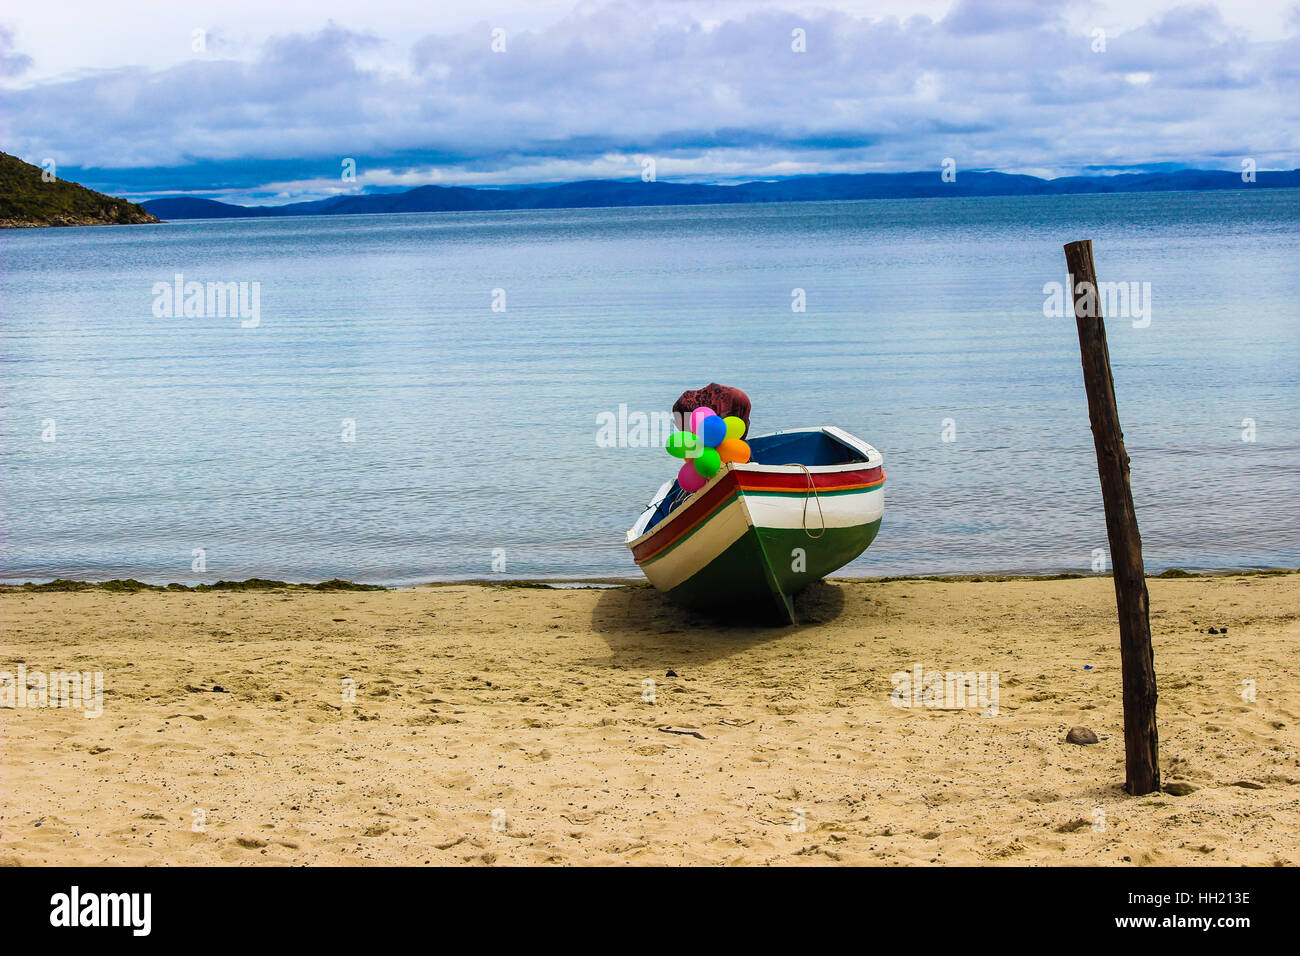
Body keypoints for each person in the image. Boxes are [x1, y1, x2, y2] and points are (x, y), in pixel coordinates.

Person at [673, 383, 751, 438]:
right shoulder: (685, 401)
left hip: (731, 399)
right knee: (737, 429)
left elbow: (691, 435)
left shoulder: (683, 406)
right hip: (737, 395)